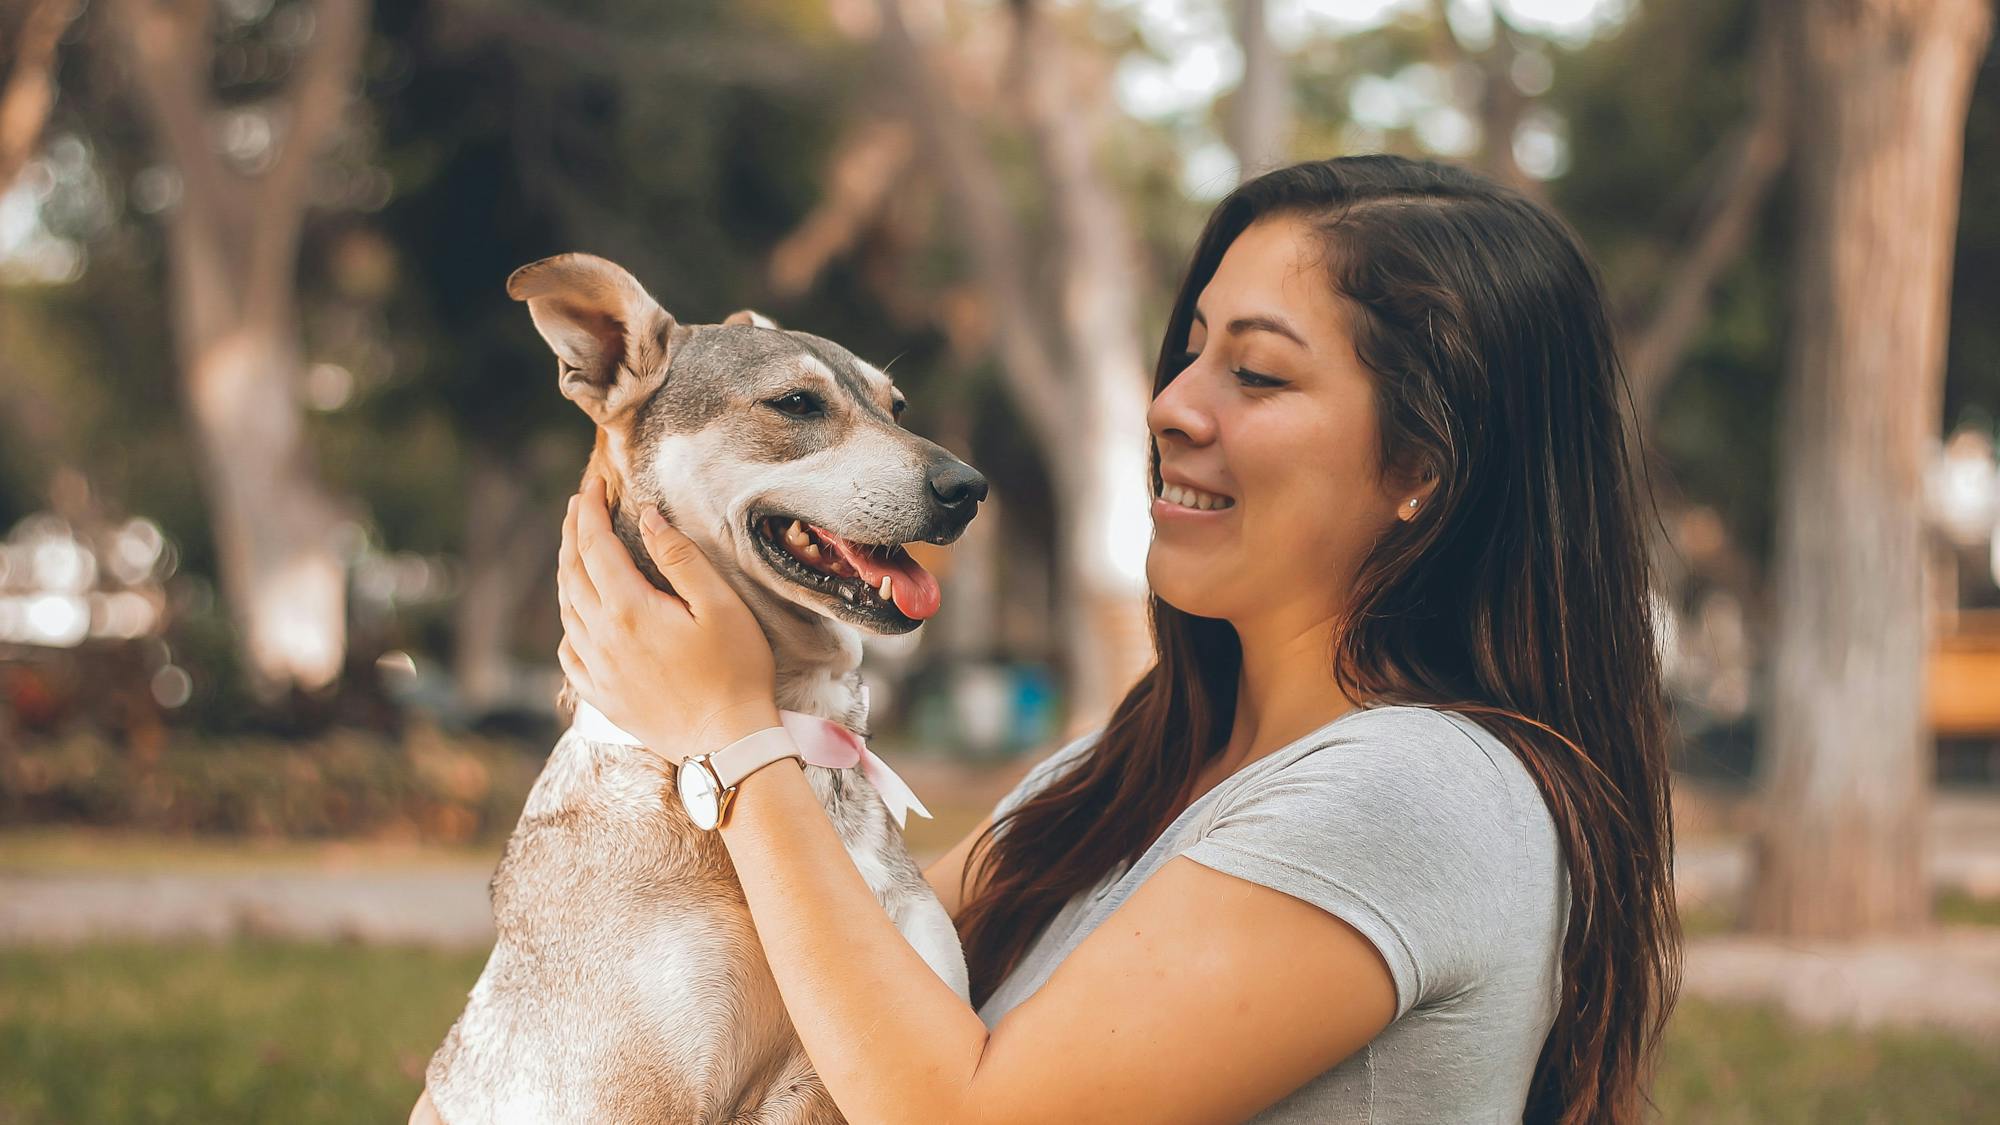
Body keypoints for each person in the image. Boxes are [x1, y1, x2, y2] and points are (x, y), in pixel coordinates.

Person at [551, 154, 1679, 1123]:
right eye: (1189, 352)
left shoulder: (1416, 793)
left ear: (1423, 470)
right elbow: (811, 982)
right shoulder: (1113, 773)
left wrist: (730, 733)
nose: (1171, 405)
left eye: (1256, 372)